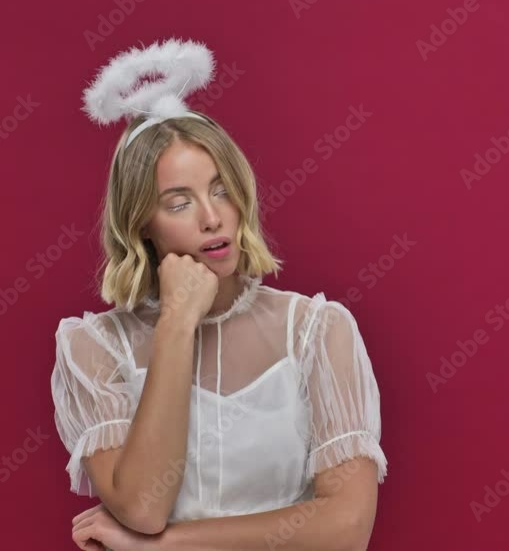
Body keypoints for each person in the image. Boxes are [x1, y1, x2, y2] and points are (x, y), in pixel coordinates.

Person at [51, 38, 387, 551]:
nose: (212, 217)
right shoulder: (92, 349)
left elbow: (345, 530)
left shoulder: (317, 331)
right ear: (141, 222)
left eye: (221, 188)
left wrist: (161, 547)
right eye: (178, 202)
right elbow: (143, 505)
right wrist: (177, 323)